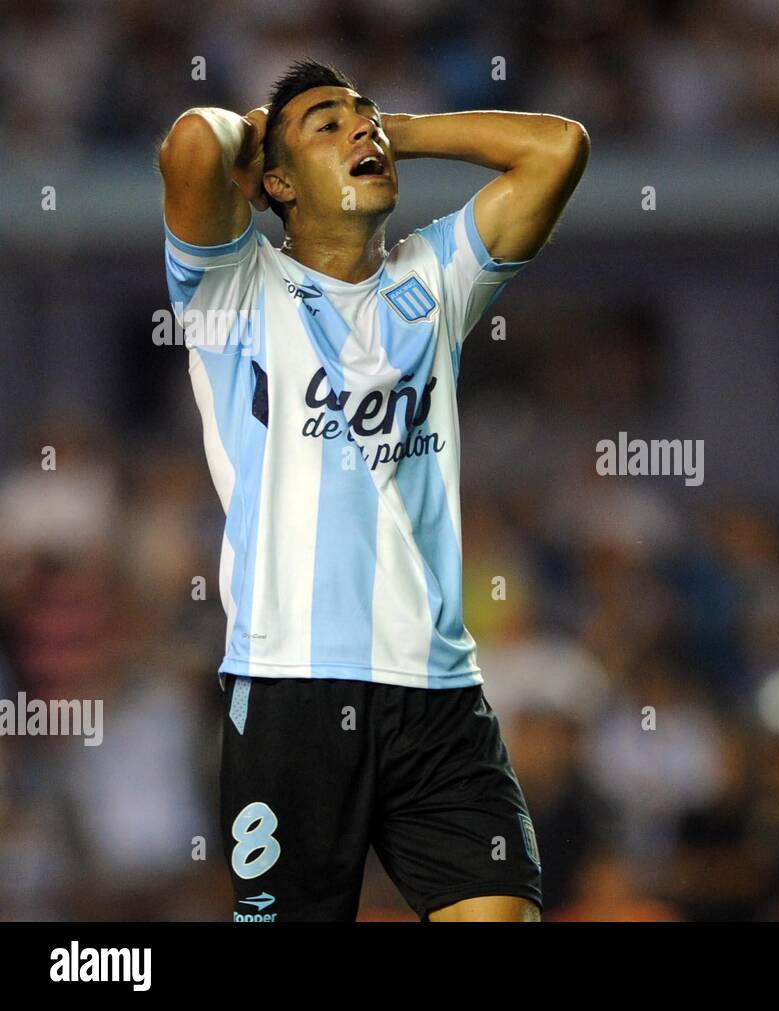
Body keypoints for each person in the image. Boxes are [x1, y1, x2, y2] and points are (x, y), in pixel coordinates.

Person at [157, 58, 588, 922]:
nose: (361, 129)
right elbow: (193, 143)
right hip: (290, 691)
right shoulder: (234, 289)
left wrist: (394, 130)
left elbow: (558, 148)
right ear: (277, 182)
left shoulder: (434, 280)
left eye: (367, 118)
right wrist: (264, 132)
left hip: (439, 694)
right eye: (328, 124)